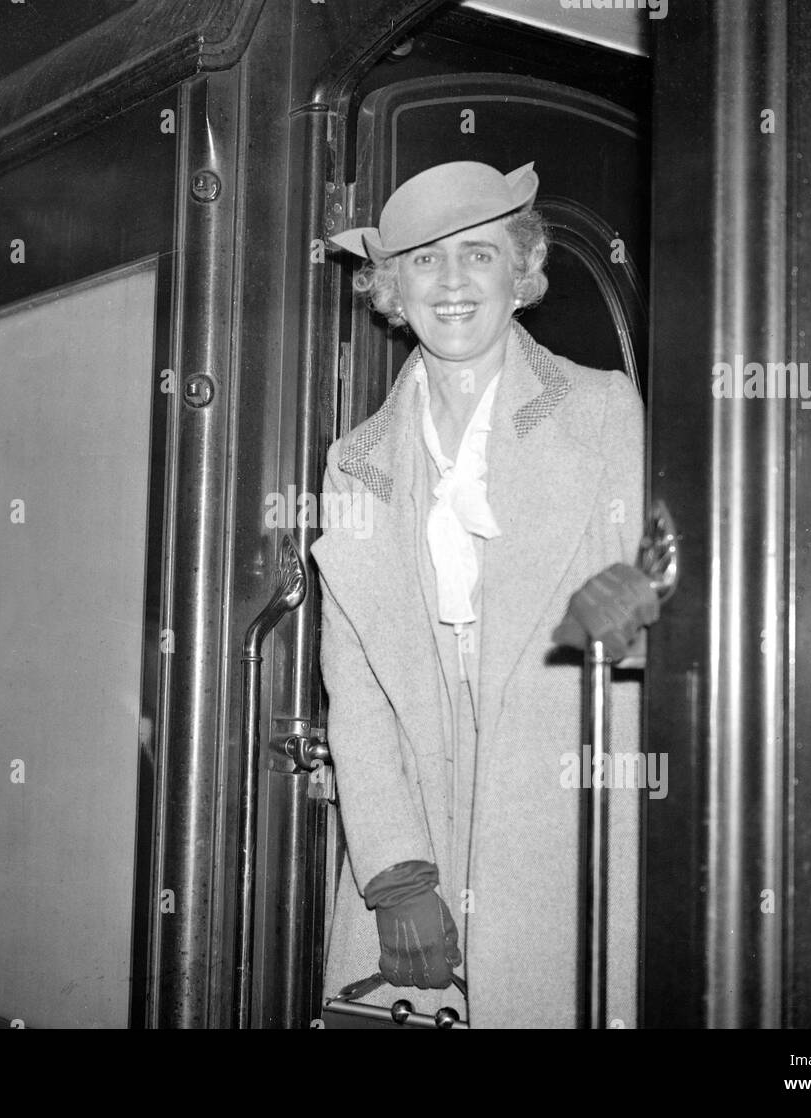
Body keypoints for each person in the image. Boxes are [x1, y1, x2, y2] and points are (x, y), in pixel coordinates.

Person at [314, 161, 654, 1027]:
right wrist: (394, 870)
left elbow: (650, 632)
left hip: (564, 812)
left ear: (521, 270)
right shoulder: (356, 461)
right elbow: (356, 687)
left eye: (479, 253)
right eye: (425, 260)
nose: (453, 281)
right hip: (419, 807)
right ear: (393, 289)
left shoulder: (604, 411)